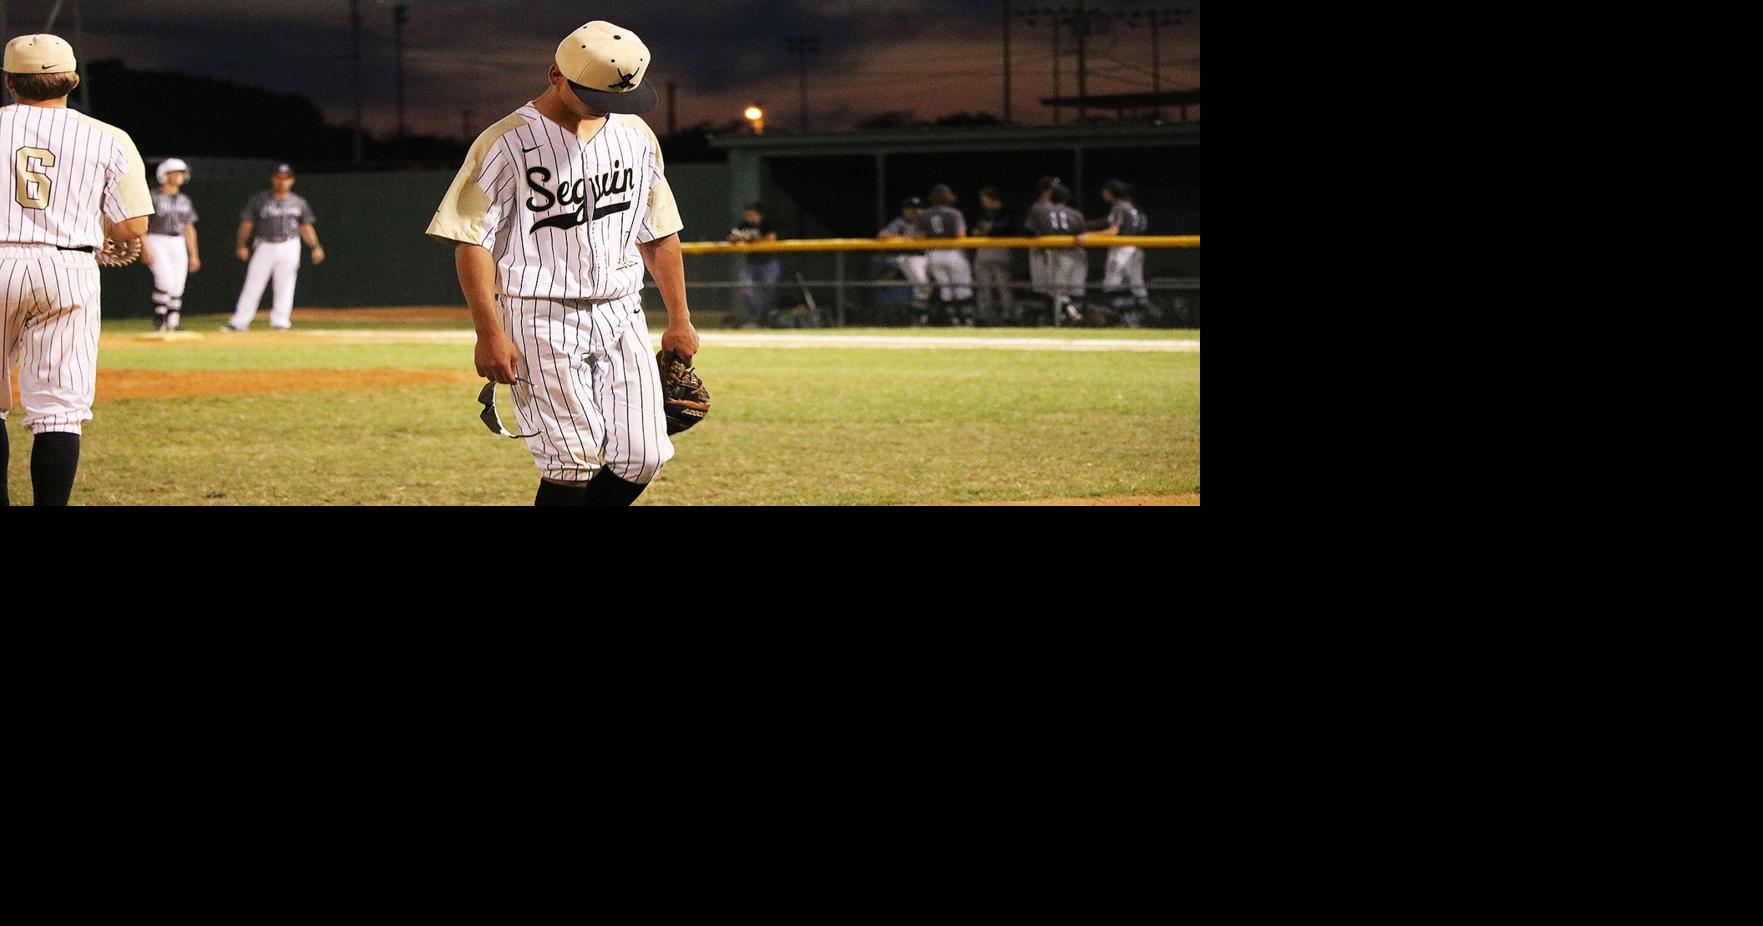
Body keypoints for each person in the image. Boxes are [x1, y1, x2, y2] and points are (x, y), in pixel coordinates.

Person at [426, 19, 698, 507]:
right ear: (556, 75)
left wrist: (680, 318)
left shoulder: (635, 135)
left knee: (646, 455)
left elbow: (659, 231)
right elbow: (471, 242)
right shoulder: (505, 142)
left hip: (622, 310)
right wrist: (488, 332)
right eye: (596, 95)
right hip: (539, 315)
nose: (607, 106)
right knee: (570, 463)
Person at [0, 34, 152, 506]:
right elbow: (133, 225)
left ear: (9, 82)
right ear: (72, 80)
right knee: (59, 410)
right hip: (68, 266)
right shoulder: (109, 136)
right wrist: (101, 232)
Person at [222, 163, 324, 331]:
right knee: (253, 284)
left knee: (286, 285)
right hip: (265, 245)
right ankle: (239, 322)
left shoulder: (298, 202)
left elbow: (305, 226)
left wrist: (315, 246)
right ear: (273, 179)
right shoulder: (259, 200)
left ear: (292, 180)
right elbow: (247, 224)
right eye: (278, 177)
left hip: (290, 244)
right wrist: (241, 244)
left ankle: (280, 321)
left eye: (286, 178)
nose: (282, 181)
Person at [1082, 179, 1153, 325]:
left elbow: (1113, 231)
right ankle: (1139, 317)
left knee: (1111, 286)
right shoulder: (1134, 208)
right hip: (1137, 248)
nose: (1103, 193)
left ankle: (1123, 317)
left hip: (1121, 250)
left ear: (1112, 192)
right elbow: (1108, 221)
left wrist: (1090, 235)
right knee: (1137, 286)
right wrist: (1087, 225)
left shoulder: (1119, 206)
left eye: (1105, 191)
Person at [142, 158, 200, 332]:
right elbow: (142, 224)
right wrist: (144, 247)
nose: (180, 176)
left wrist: (194, 254)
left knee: (178, 284)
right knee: (165, 280)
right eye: (176, 172)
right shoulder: (153, 196)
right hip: (156, 239)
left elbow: (189, 228)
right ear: (164, 174)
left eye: (182, 172)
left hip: (178, 241)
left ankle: (173, 322)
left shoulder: (184, 200)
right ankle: (159, 319)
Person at [1024, 180, 1086, 323]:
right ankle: (1073, 317)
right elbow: (1082, 234)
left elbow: (1028, 232)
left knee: (1054, 290)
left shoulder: (1038, 209)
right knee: (1075, 290)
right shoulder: (1075, 213)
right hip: (1076, 253)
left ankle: (1065, 317)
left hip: (1051, 252)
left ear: (1050, 195)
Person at [913, 184, 973, 325]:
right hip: (953, 252)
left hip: (934, 254)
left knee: (946, 290)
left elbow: (918, 237)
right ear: (948, 197)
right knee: (963, 288)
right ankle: (967, 320)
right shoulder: (954, 213)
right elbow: (960, 235)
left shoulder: (924, 214)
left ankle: (953, 320)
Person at [970, 186, 1017, 324]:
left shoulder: (1006, 213)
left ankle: (1009, 316)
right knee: (983, 286)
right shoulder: (981, 214)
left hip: (1000, 250)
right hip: (982, 250)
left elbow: (1005, 229)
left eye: (985, 199)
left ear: (995, 200)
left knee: (1004, 286)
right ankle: (984, 317)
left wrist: (987, 230)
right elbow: (974, 232)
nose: (983, 202)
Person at [879, 197, 930, 323]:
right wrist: (908, 238)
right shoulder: (899, 222)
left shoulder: (927, 221)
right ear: (904, 210)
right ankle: (921, 316)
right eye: (911, 208)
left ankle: (925, 314)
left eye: (918, 208)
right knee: (922, 285)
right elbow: (882, 235)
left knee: (933, 286)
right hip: (909, 257)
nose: (916, 211)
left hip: (929, 256)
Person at [728, 201, 778, 328]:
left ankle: (768, 319)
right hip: (751, 263)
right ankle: (756, 318)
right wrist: (740, 238)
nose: (748, 217)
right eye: (747, 215)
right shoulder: (744, 225)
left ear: (758, 215)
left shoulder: (766, 224)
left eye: (751, 214)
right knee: (745, 288)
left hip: (768, 262)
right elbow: (731, 238)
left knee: (768, 289)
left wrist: (751, 239)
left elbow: (772, 239)